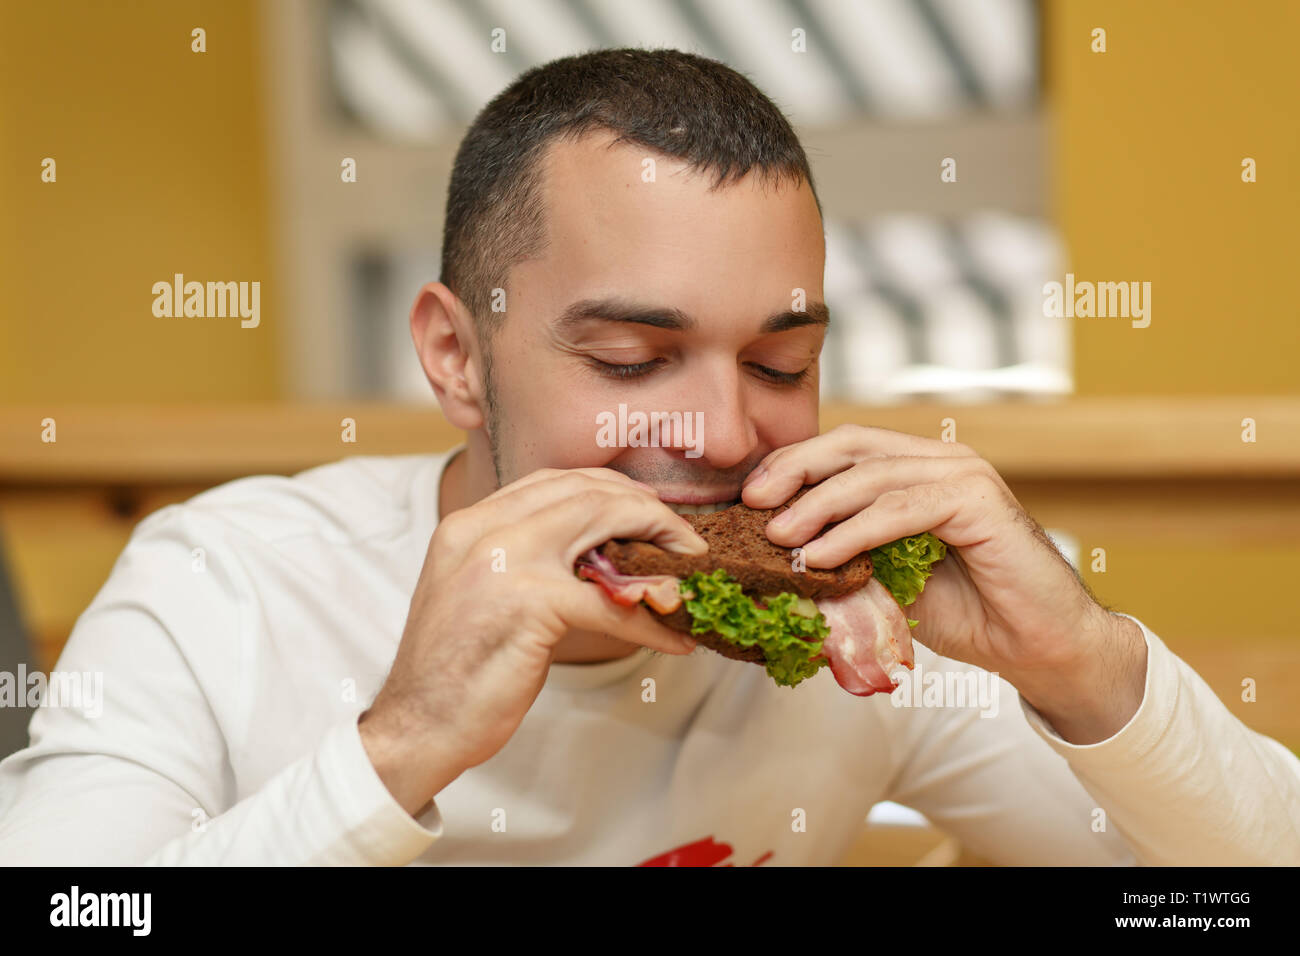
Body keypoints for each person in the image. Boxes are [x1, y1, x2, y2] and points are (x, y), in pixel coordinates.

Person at [2, 48, 1296, 866]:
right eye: (629, 362)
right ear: (458, 359)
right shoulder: (224, 586)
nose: (727, 436)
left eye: (783, 365)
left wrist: (1084, 666)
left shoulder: (869, 639)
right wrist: (397, 749)